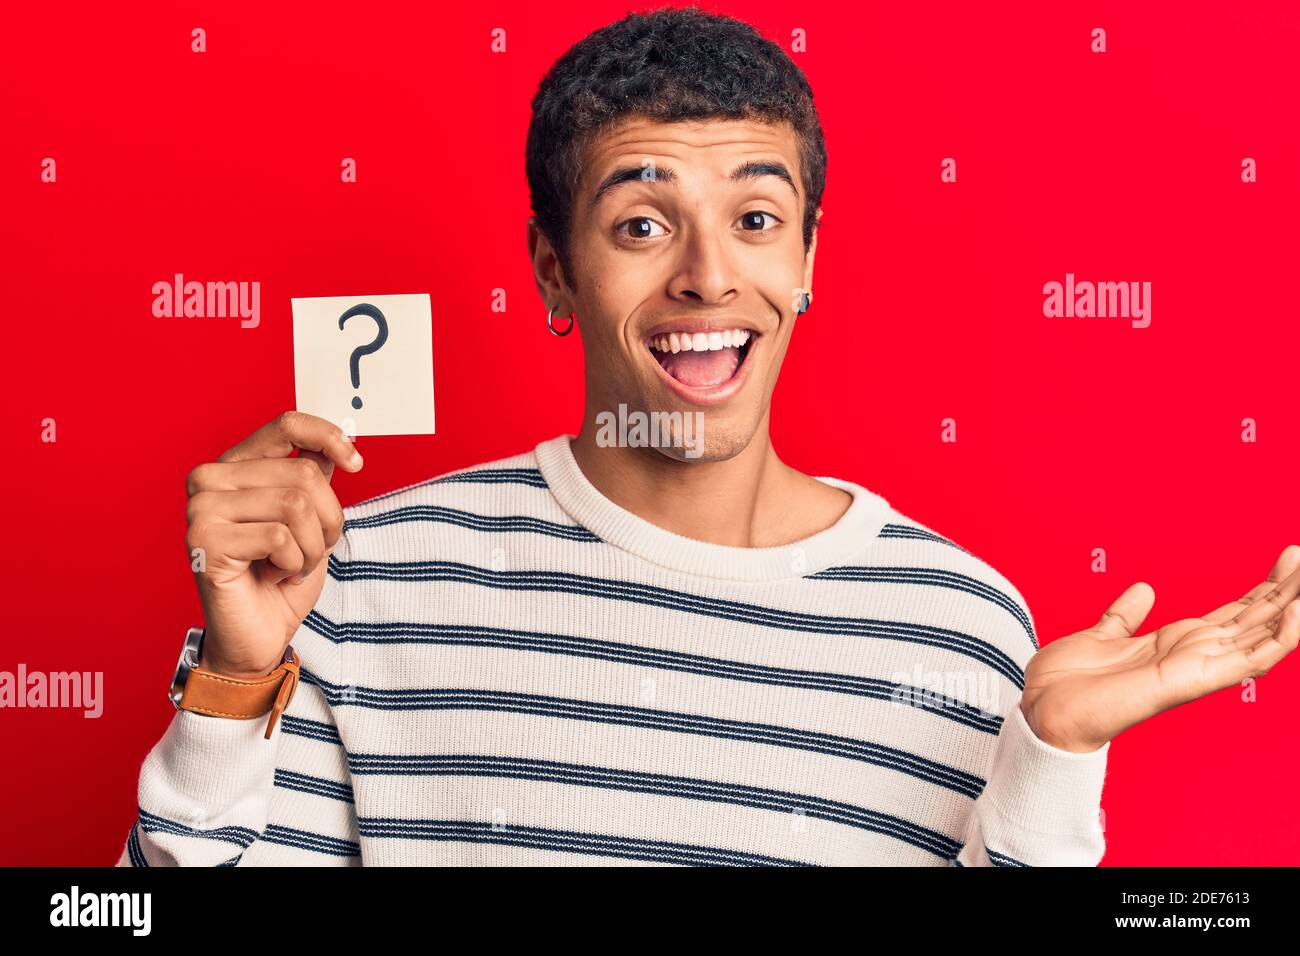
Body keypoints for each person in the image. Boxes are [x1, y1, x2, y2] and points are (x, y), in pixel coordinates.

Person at [118, 6, 1299, 867]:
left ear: (807, 264)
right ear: (553, 273)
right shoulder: (352, 582)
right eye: (641, 222)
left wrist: (1052, 756)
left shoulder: (962, 622)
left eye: (754, 218)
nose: (707, 276)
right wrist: (231, 679)